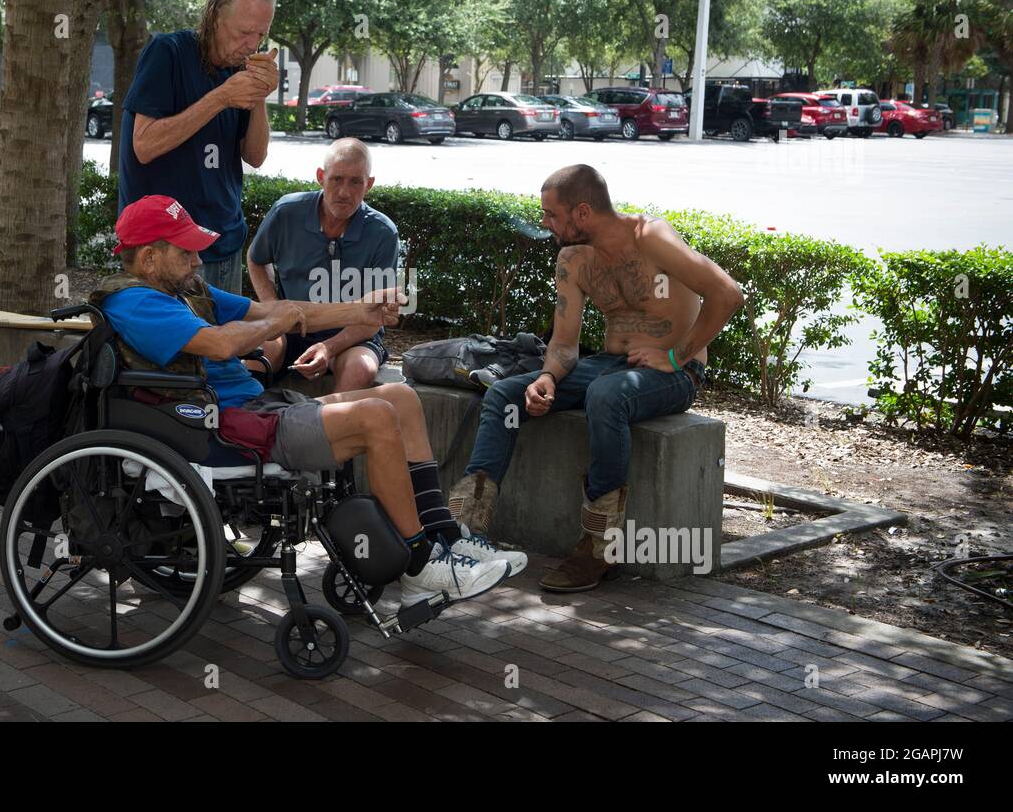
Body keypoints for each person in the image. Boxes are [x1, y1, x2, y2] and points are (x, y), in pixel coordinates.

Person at [95, 195, 527, 607]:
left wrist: (359, 311)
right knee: (376, 415)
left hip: (258, 410)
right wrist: (274, 323)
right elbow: (221, 345)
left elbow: (281, 308)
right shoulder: (136, 302)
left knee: (401, 397)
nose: (197, 259)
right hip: (224, 428)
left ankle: (443, 537)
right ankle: (418, 571)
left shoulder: (185, 290)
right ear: (149, 258)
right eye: (186, 250)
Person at [447, 164, 745, 593]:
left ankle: (598, 545)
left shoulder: (652, 237)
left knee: (606, 396)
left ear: (582, 213)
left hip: (672, 374)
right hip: (607, 364)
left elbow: (728, 294)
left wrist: (676, 357)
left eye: (552, 215)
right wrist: (548, 377)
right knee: (505, 396)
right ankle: (466, 529)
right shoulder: (573, 259)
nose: (545, 223)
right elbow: (566, 344)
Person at [118, 0, 278, 294]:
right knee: (172, 344)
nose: (252, 44)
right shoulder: (168, 53)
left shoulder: (240, 68)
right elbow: (145, 144)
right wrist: (221, 98)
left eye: (261, 34)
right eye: (244, 32)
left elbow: (255, 156)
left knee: (228, 342)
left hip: (224, 242)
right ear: (215, 16)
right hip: (162, 253)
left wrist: (259, 92)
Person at [247, 138, 399, 392]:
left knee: (361, 369)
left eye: (355, 182)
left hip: (353, 337)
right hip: (292, 327)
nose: (344, 192)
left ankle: (332, 428)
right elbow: (256, 259)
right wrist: (273, 308)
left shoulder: (383, 233)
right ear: (321, 176)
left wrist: (329, 347)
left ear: (369, 184)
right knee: (260, 351)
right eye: (336, 179)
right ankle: (246, 422)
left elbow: (376, 315)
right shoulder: (286, 212)